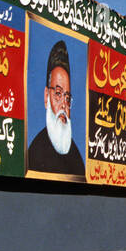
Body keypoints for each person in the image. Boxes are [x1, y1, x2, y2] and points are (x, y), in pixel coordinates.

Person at [26, 40, 85, 175]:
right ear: (46, 97)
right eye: (58, 94)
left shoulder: (76, 158)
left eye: (67, 98)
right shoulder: (35, 153)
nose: (64, 105)